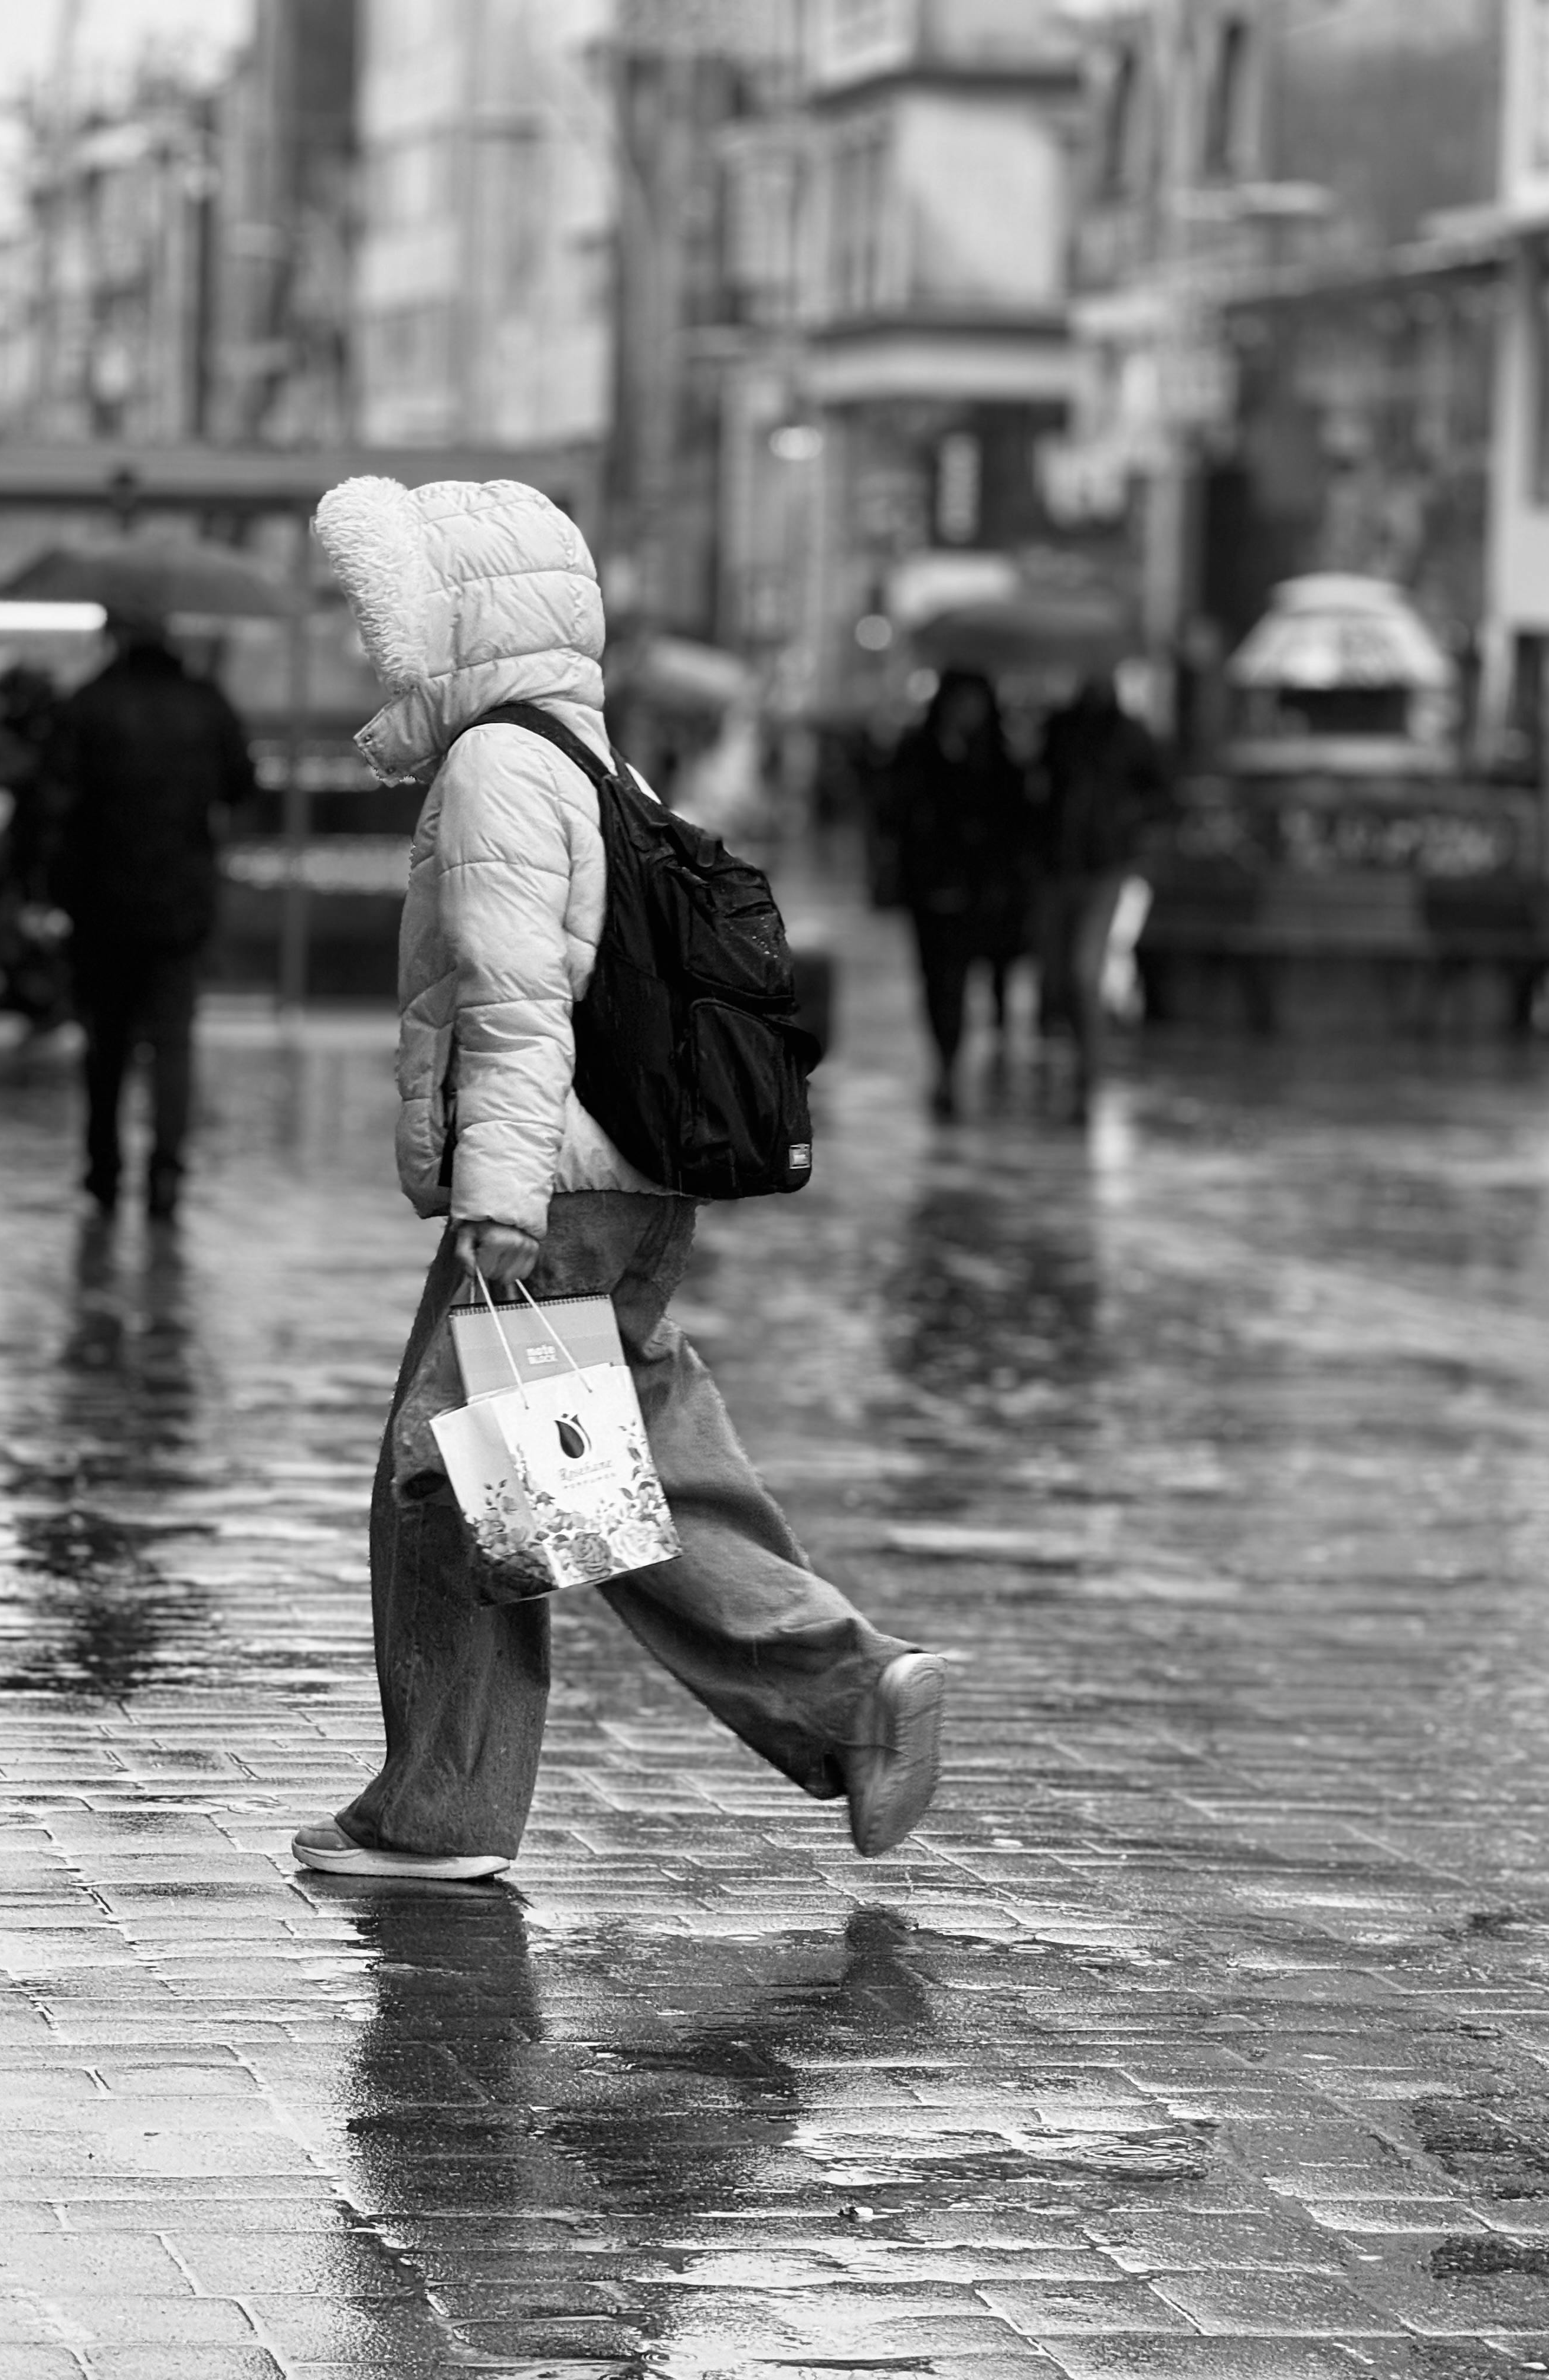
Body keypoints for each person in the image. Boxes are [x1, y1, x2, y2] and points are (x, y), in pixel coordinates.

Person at [292, 474, 945, 1885]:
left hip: (559, 1194)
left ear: (455, 617)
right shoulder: (589, 756)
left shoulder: (496, 774)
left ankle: (446, 1813)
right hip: (624, 1185)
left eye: (382, 615)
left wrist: (499, 1207)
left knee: (455, 1484)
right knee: (599, 1476)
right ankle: (855, 1694)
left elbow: (522, 1009)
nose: (366, 644)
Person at [45, 607, 257, 1220]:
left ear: (114, 633)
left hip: (101, 903)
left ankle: (103, 1171)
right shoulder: (204, 702)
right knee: (172, 1043)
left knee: (105, 1043)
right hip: (181, 902)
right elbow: (243, 783)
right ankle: (166, 1177)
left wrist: (51, 888)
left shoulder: (87, 704)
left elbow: (54, 800)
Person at [886, 669, 1031, 1119]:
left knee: (972, 975)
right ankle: (946, 1062)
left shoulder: (999, 758)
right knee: (937, 978)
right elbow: (893, 810)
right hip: (929, 885)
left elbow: (1014, 821)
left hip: (982, 889)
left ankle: (969, 1056)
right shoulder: (919, 750)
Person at [1034, 674, 1167, 1123]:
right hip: (1060, 866)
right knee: (1058, 974)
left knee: (1083, 971)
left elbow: (1161, 792)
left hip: (1105, 868)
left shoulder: (1130, 735)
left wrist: (1130, 826)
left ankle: (1089, 1071)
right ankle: (1076, 1061)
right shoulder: (1062, 730)